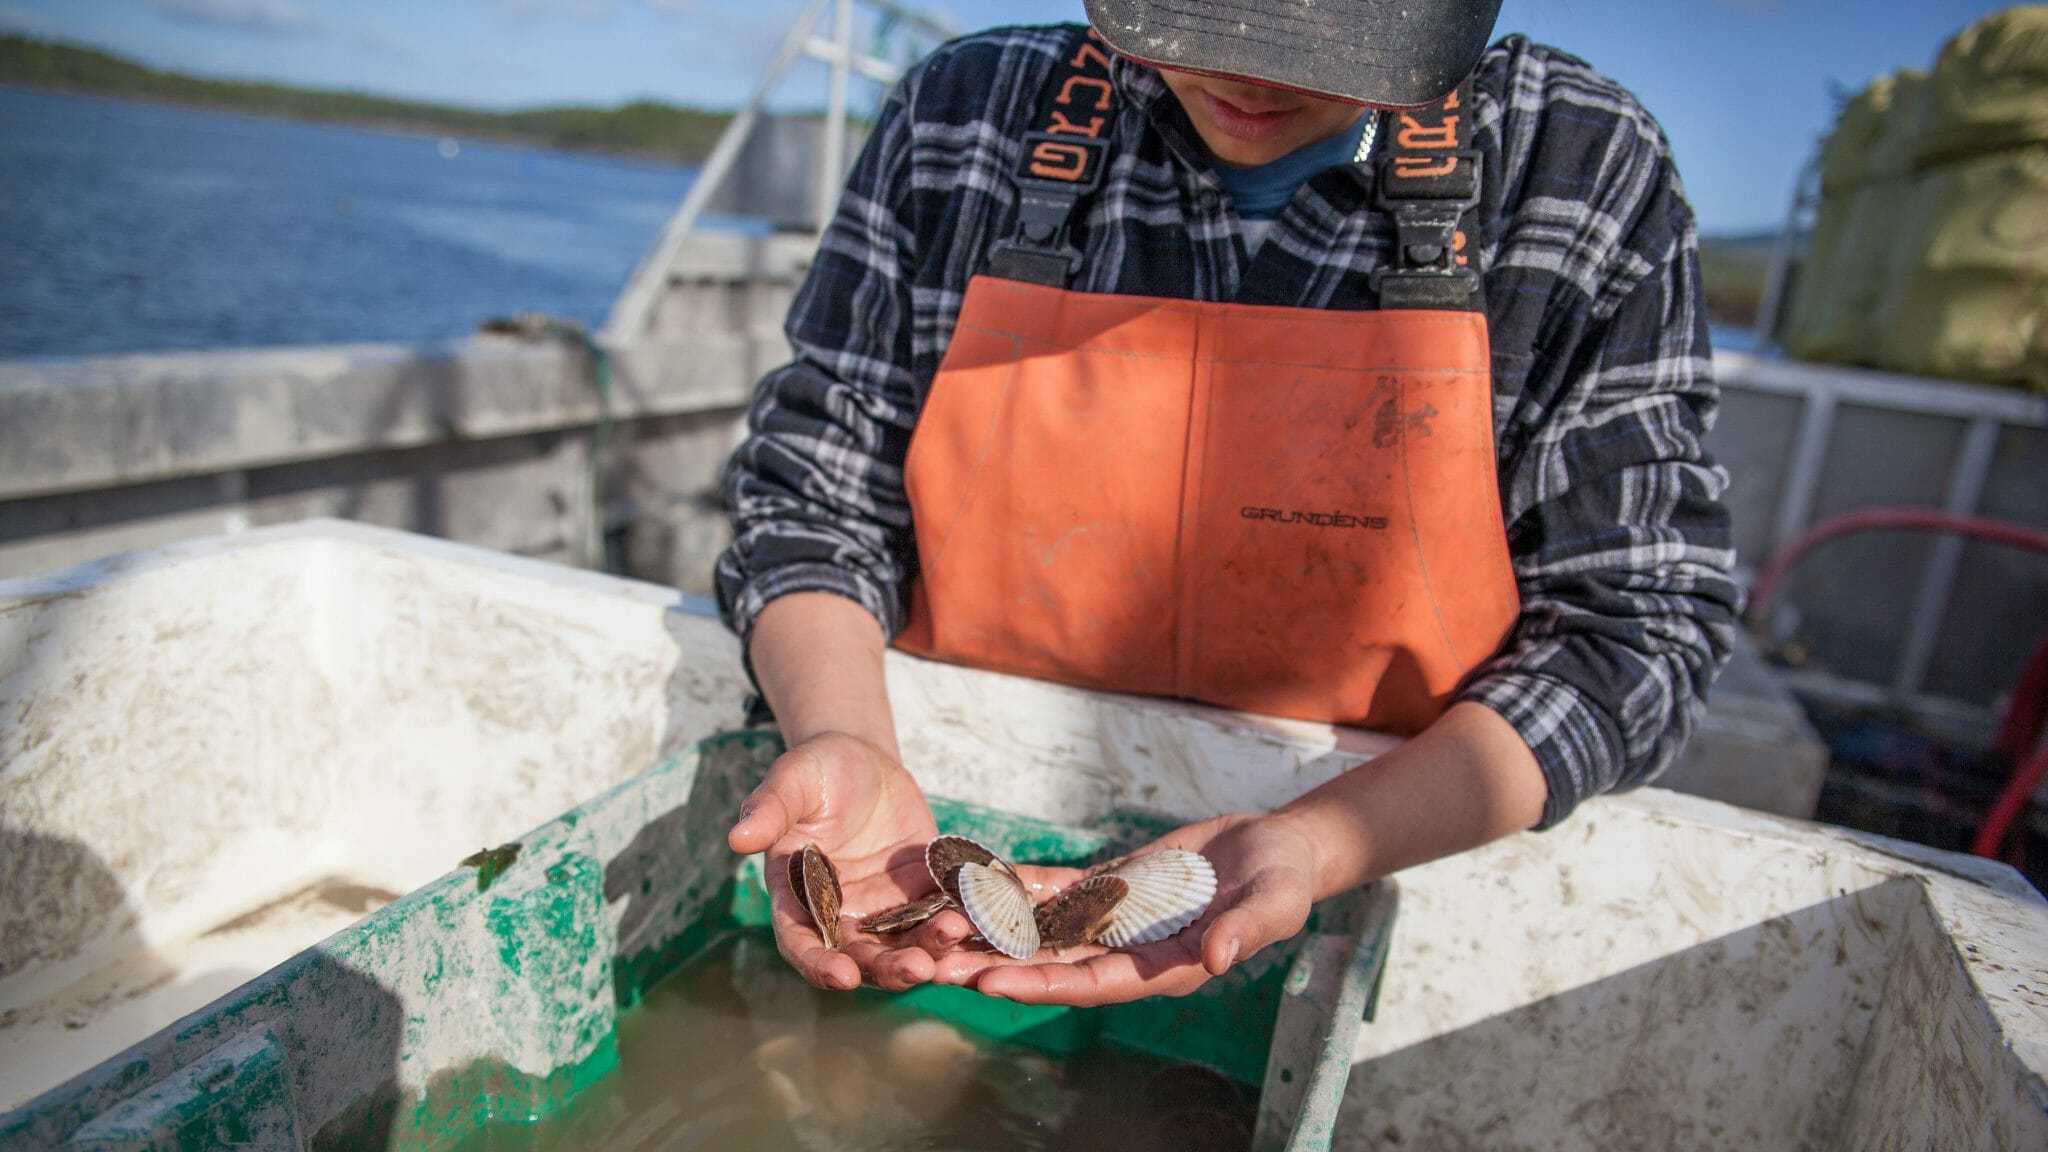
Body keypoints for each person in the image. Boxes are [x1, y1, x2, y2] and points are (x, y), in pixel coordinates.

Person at [717, 0, 1737, 1006]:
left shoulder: (1576, 164)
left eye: (1331, 36)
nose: (1252, 75)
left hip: (1376, 853)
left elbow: (1632, 639)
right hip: (933, 846)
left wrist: (1315, 839)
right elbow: (814, 500)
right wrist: (843, 734)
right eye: (1198, 20)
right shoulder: (966, 113)